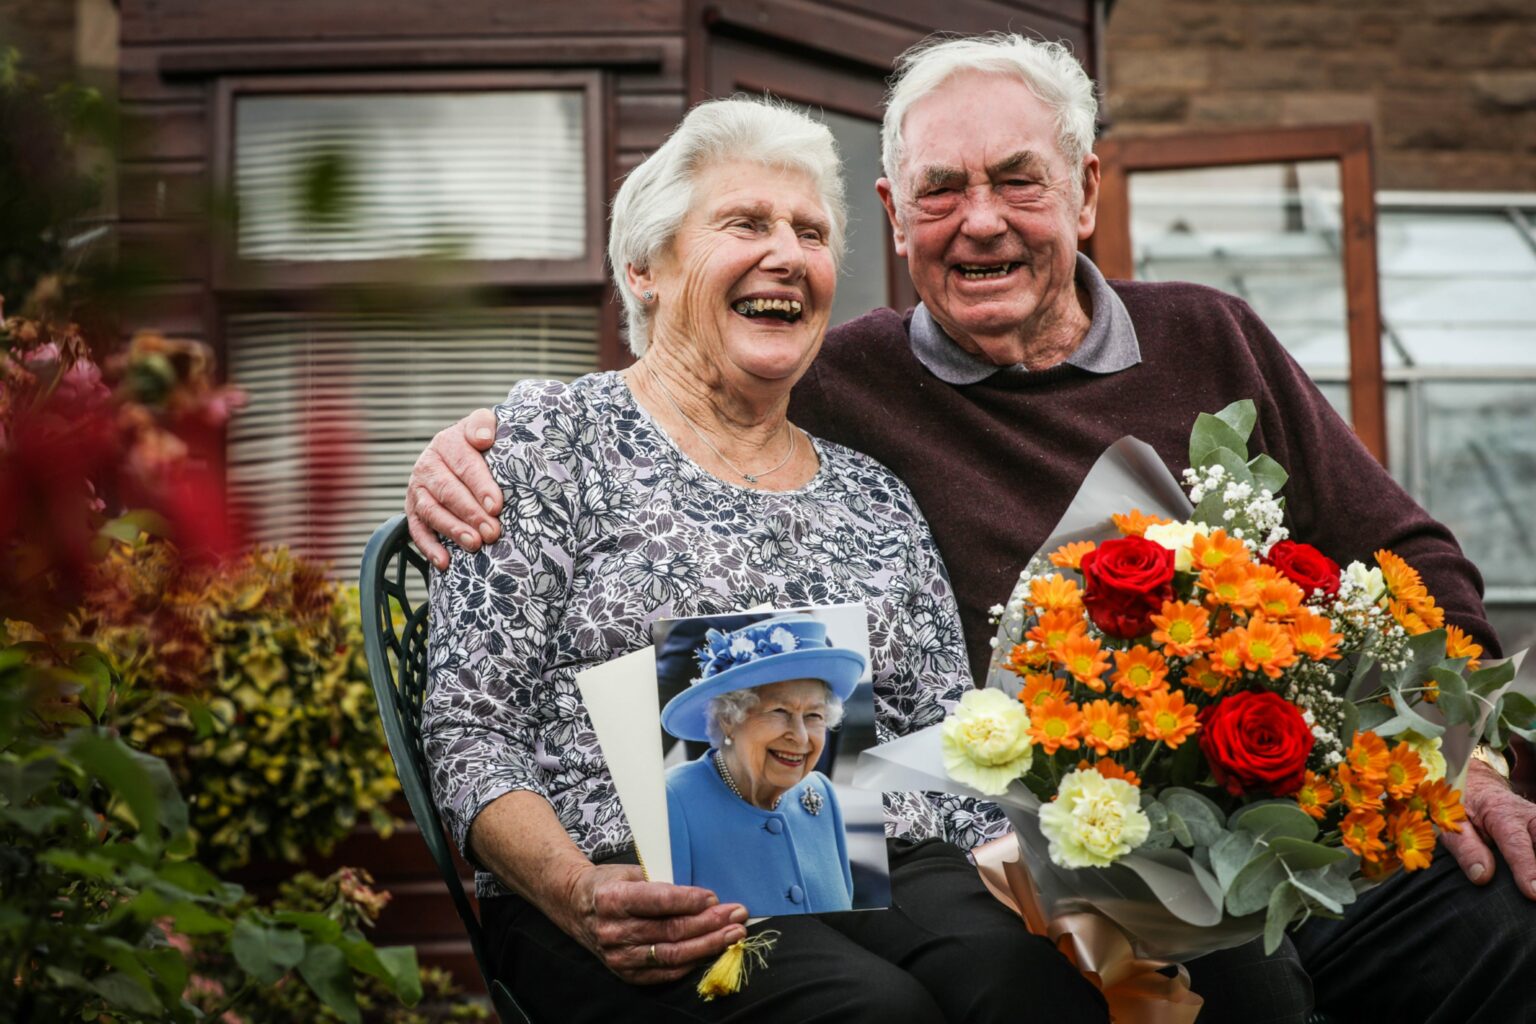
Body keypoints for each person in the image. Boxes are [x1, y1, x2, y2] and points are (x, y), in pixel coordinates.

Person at [408, 33, 1536, 1024]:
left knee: (1510, 933)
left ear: (1087, 191)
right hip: (1046, 859)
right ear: (898, 218)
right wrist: (467, 448)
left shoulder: (1206, 339)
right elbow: (680, 386)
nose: (981, 221)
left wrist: (1464, 757)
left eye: (1017, 181)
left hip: (1301, 827)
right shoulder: (821, 384)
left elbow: (1414, 562)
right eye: (941, 191)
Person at [420, 95, 1107, 1023]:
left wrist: (1063, 884)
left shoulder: (873, 493)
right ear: (644, 267)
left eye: (811, 232)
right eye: (745, 222)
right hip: (625, 879)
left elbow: (945, 744)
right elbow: (470, 729)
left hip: (861, 854)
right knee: (867, 1012)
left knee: (1035, 986)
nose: (787, 253)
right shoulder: (549, 446)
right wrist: (575, 890)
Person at [662, 614, 860, 916]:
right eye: (779, 711)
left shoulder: (821, 793)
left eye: (814, 716)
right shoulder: (671, 803)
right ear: (728, 718)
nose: (801, 736)